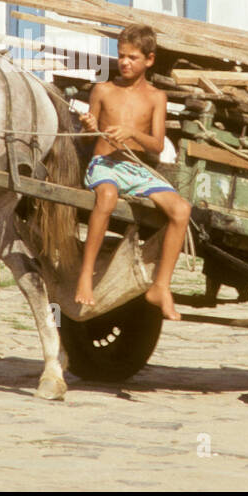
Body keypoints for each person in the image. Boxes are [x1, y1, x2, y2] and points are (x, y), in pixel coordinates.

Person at [75, 24, 191, 320]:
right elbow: (87, 140)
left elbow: (156, 145)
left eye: (133, 57)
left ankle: (161, 287)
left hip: (137, 169)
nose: (125, 62)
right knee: (107, 197)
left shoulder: (156, 97)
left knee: (181, 209)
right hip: (104, 165)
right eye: (121, 55)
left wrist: (131, 133)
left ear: (149, 60)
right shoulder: (103, 90)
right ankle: (86, 274)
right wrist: (89, 128)